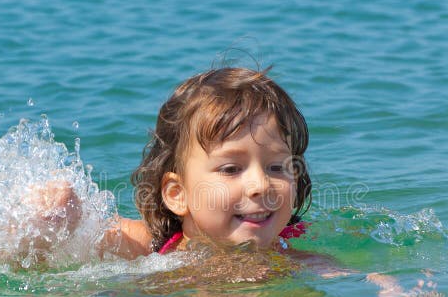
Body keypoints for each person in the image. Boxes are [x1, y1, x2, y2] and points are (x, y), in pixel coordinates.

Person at [28, 66, 312, 262]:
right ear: (178, 194)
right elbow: (79, 235)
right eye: (231, 169)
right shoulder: (147, 247)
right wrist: (59, 217)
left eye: (277, 167)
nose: (260, 185)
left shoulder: (297, 261)